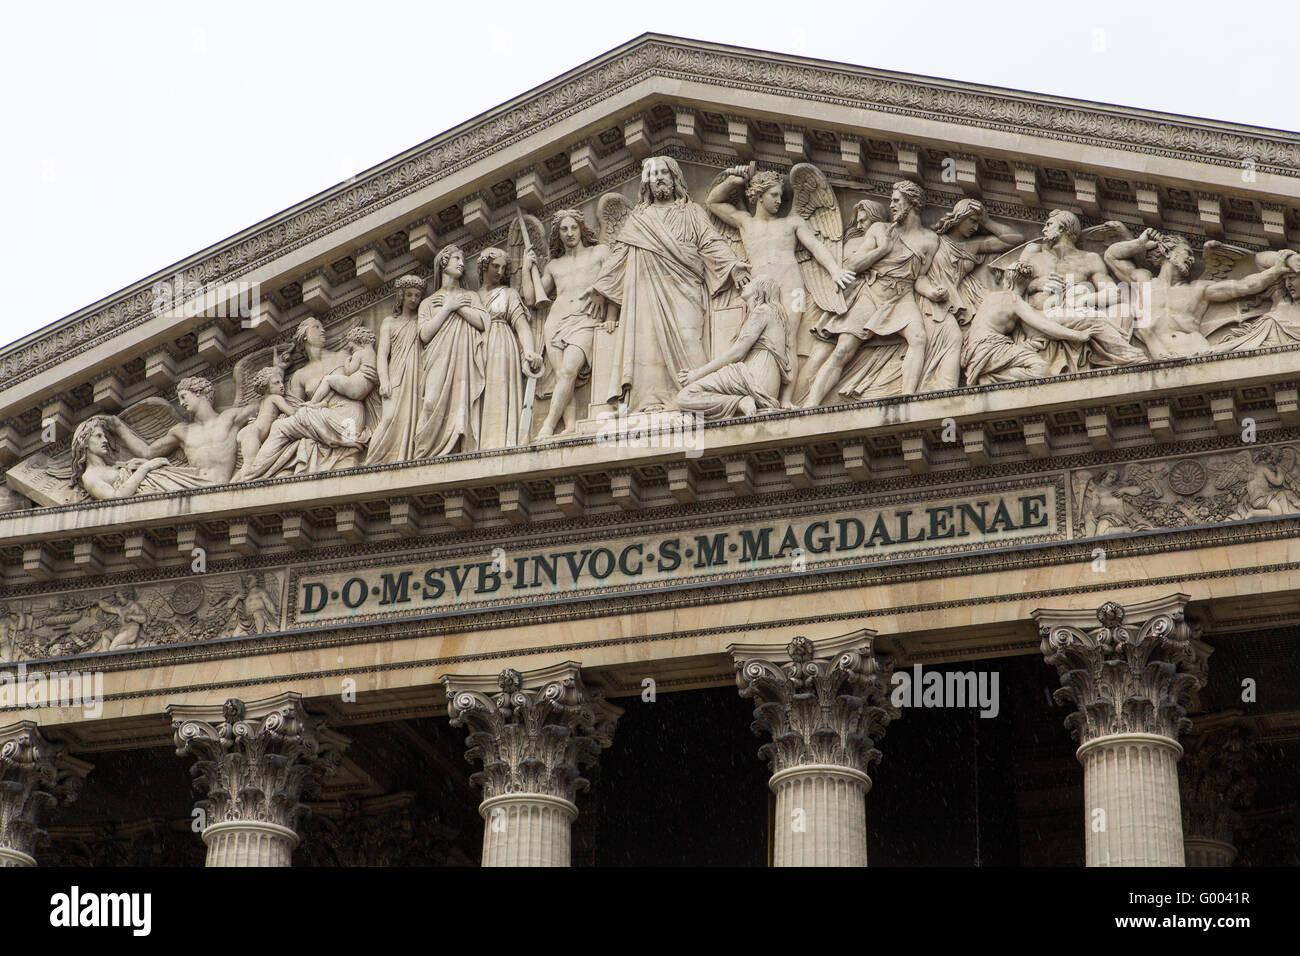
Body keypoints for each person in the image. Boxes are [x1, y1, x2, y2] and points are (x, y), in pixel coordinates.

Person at [584, 156, 750, 412]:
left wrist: (731, 265)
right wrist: (600, 288)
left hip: (686, 288)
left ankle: (698, 396)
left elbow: (710, 242)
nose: (659, 177)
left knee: (689, 338)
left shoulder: (691, 211)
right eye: (653, 174)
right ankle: (650, 401)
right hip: (646, 290)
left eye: (664, 173)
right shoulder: (639, 218)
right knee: (648, 345)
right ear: (646, 184)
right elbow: (620, 255)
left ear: (674, 178)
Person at [524, 210, 612, 438]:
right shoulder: (554, 266)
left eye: (573, 227)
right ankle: (570, 426)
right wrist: (526, 268)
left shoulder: (599, 252)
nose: (570, 233)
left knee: (568, 370)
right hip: (555, 323)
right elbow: (532, 298)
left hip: (586, 318)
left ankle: (548, 426)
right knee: (564, 374)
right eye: (564, 229)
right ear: (558, 234)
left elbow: (617, 276)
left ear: (582, 228)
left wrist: (601, 293)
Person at [675, 278, 793, 418]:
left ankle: (739, 401)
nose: (746, 284)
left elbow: (737, 353)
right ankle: (739, 402)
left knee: (685, 396)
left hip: (753, 378)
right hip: (767, 384)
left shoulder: (762, 311)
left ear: (759, 289)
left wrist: (696, 374)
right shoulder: (773, 313)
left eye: (751, 282)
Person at [414, 244, 488, 457]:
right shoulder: (428, 302)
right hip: (437, 358)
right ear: (443, 263)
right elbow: (425, 334)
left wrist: (458, 306)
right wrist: (447, 307)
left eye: (462, 259)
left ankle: (461, 446)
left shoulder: (471, 297)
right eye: (457, 258)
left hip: (464, 359)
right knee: (429, 403)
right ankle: (423, 453)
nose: (462, 264)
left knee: (462, 407)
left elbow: (483, 322)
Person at [476, 247, 542, 448]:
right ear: (484, 266)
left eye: (504, 268)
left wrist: (528, 351)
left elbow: (522, 326)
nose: (500, 272)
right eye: (495, 266)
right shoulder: (470, 297)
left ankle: (497, 441)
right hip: (474, 350)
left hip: (501, 346)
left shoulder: (509, 294)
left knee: (498, 392)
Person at [366, 275, 431, 464]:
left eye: (417, 296)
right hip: (396, 376)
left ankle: (407, 456)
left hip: (418, 374)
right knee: (389, 418)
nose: (413, 299)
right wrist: (384, 380)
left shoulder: (422, 321)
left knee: (415, 418)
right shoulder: (389, 322)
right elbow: (382, 355)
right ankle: (373, 460)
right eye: (409, 294)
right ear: (401, 296)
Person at [233, 366, 298, 481]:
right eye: (276, 383)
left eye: (282, 382)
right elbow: (292, 412)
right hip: (253, 433)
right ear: (266, 387)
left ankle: (230, 484)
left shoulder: (263, 401)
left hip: (249, 432)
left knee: (247, 465)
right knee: (250, 468)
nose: (282, 385)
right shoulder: (275, 398)